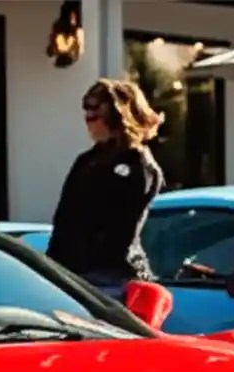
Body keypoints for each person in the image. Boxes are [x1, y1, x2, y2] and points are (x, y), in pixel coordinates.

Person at [44, 78, 164, 300]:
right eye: (86, 111)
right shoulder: (86, 161)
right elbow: (64, 219)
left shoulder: (139, 165)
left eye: (95, 112)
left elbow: (119, 229)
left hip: (110, 276)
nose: (87, 119)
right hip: (74, 274)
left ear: (117, 115)